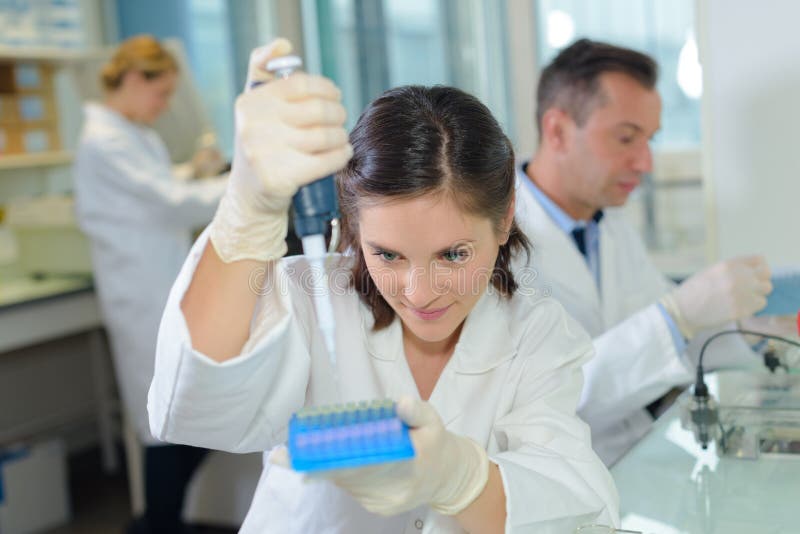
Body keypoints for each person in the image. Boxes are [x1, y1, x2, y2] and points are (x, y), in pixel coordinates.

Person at [148, 39, 619, 533]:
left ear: (504, 221)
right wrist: (246, 210)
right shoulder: (312, 299)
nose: (419, 292)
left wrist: (460, 477)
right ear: (353, 228)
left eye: (453, 254)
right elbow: (192, 408)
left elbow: (576, 505)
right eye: (387, 254)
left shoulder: (535, 333)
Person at [512, 38, 787, 465]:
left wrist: (760, 329)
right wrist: (677, 314)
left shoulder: (610, 225)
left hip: (632, 464)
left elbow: (678, 338)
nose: (646, 163)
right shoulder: (493, 243)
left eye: (650, 140)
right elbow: (555, 394)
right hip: (551, 489)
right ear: (558, 130)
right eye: (626, 138)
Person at [74, 35, 228, 534]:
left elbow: (157, 187)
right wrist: (246, 180)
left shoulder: (133, 133)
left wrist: (192, 170)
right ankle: (158, 524)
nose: (163, 107)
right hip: (141, 296)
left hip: (164, 287)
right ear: (135, 80)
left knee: (193, 415)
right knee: (167, 421)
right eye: (160, 94)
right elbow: (168, 202)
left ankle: (154, 522)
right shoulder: (105, 140)